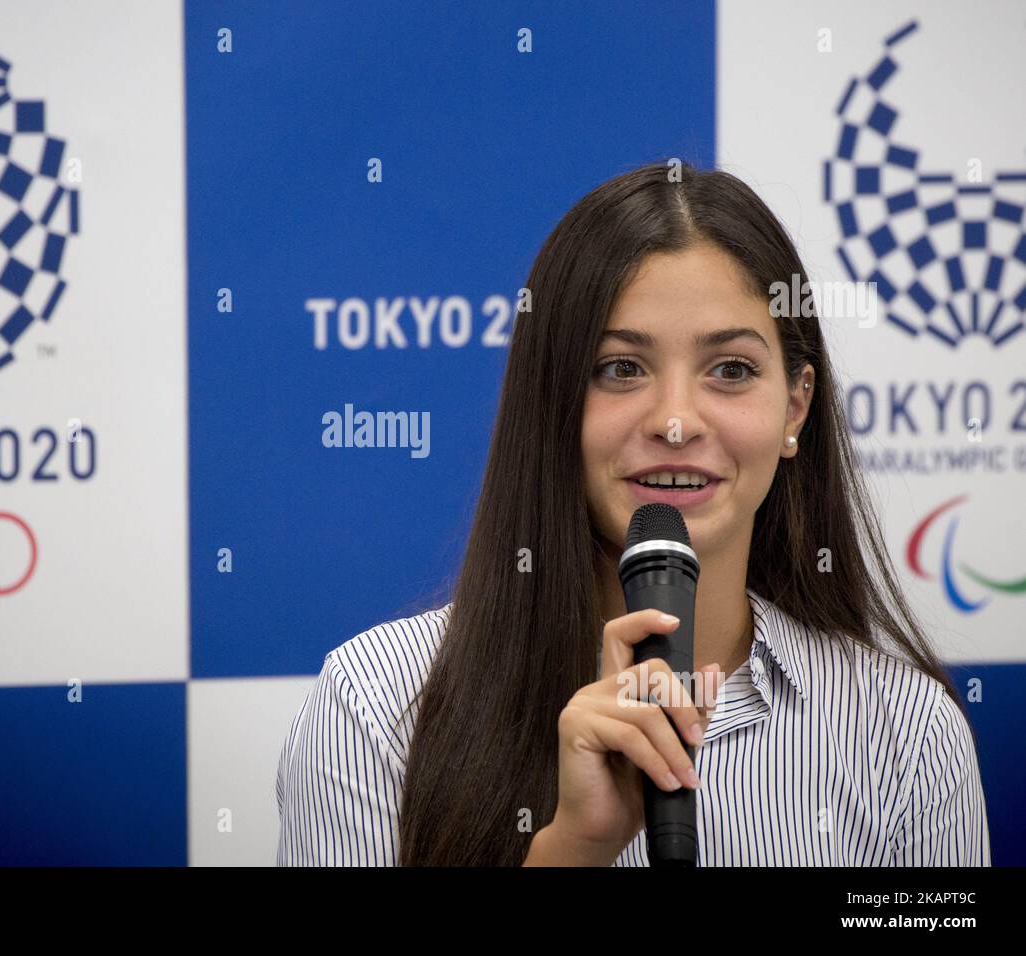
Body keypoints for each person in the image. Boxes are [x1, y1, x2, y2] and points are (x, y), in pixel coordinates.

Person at [274, 160, 992, 867]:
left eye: (731, 370)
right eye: (621, 368)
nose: (675, 422)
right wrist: (572, 852)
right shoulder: (377, 706)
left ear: (795, 408)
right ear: (553, 398)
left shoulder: (905, 735)